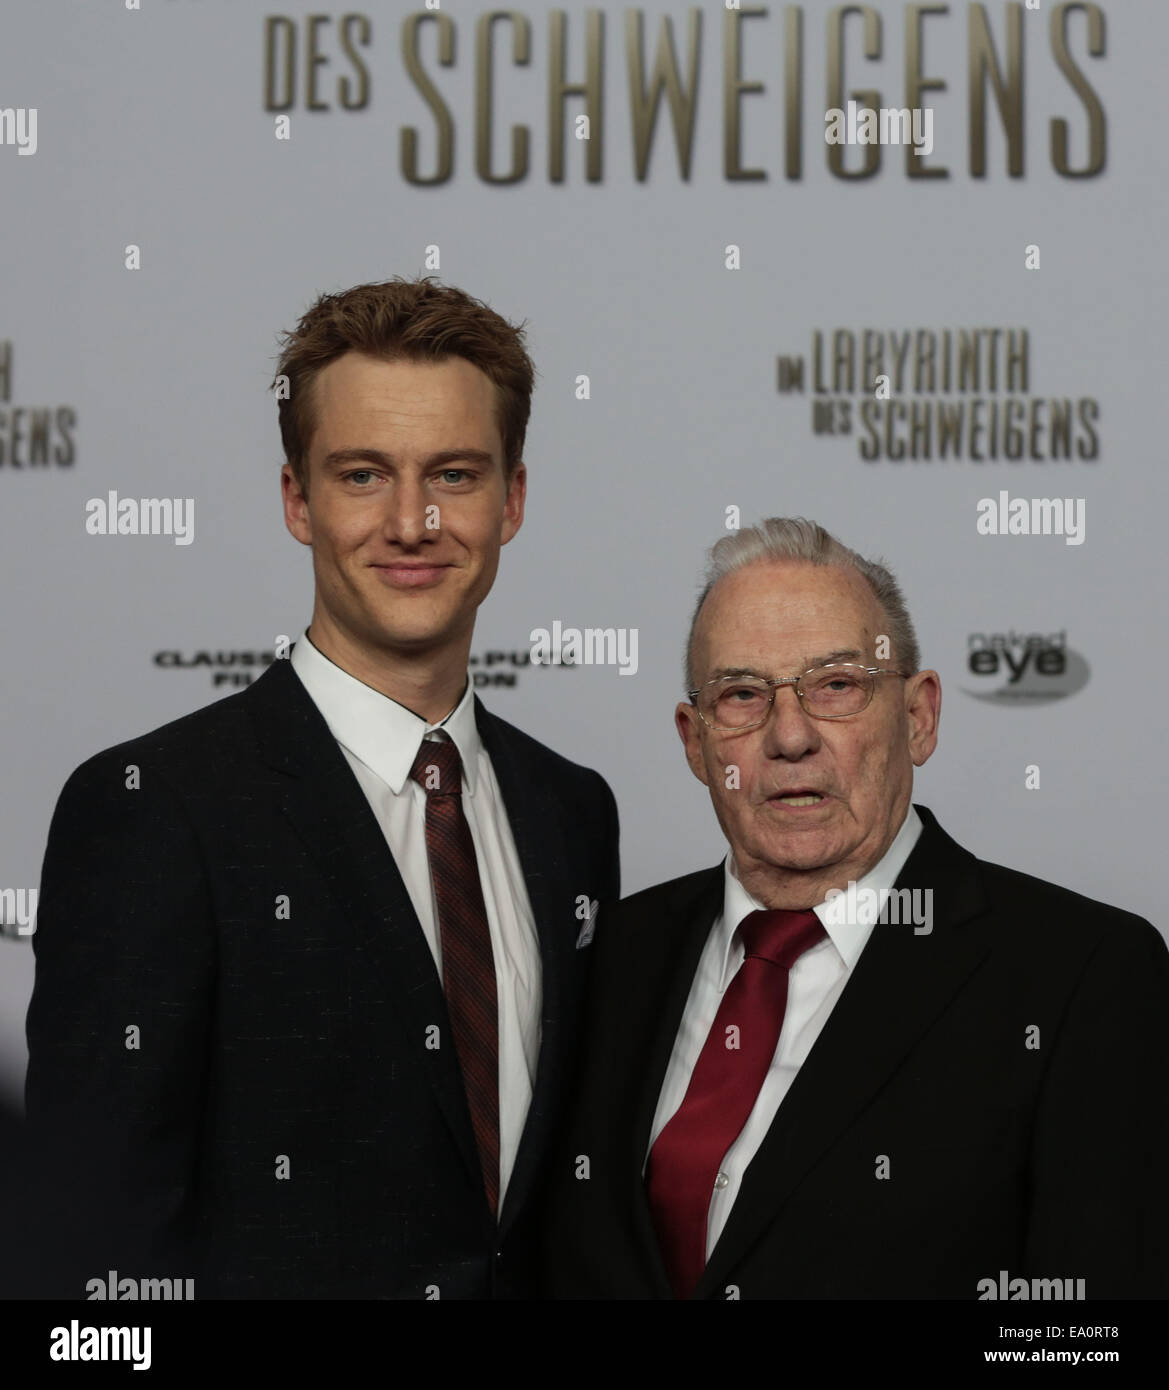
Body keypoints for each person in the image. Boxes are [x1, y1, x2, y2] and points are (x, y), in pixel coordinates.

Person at [25, 277, 620, 1299]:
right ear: (297, 500)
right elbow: (92, 1248)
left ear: (512, 500)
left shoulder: (571, 811)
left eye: (454, 473)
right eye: (360, 474)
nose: (411, 520)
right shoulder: (152, 809)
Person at [541, 517, 1169, 1300]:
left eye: (836, 685)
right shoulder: (609, 957)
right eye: (741, 695)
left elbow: (1092, 1336)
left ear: (918, 716)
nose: (791, 736)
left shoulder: (1081, 975)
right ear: (695, 742)